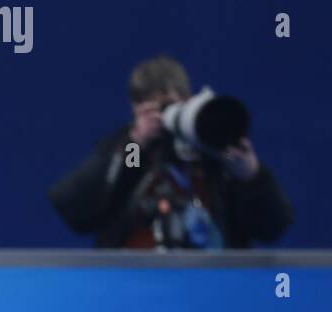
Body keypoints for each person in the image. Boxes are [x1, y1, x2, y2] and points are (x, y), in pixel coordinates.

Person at [49, 55, 292, 248]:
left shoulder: (213, 148)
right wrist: (138, 142)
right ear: (136, 109)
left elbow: (273, 229)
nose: (167, 117)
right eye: (159, 109)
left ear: (189, 99)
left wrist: (251, 178)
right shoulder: (132, 151)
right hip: (131, 289)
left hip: (215, 287)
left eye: (175, 105)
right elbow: (75, 209)